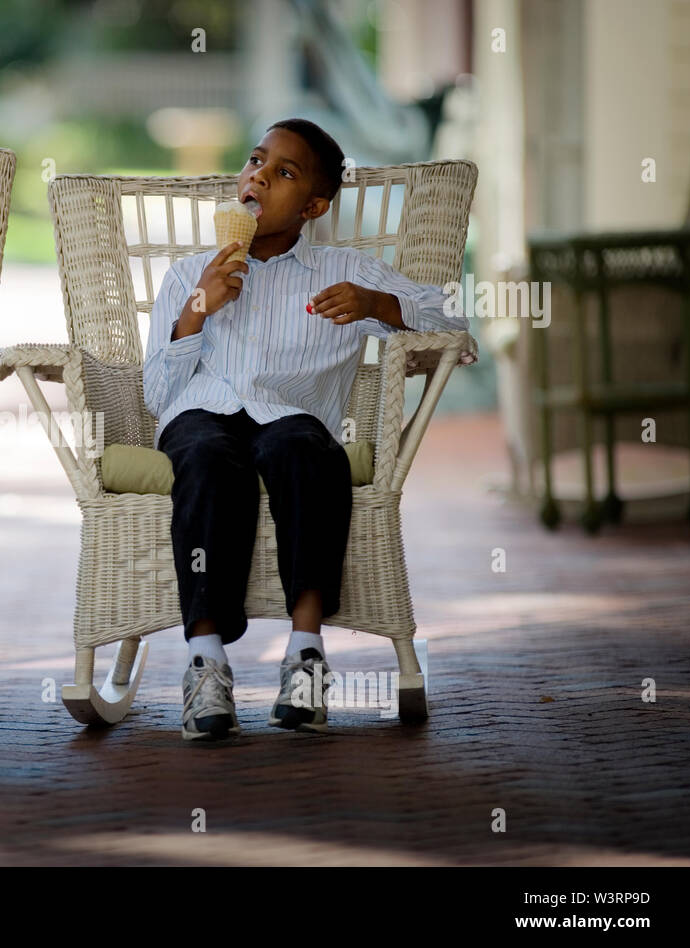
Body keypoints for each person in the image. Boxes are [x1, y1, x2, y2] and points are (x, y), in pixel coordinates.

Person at [143, 118, 468, 740]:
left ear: (314, 206)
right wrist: (197, 312)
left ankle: (306, 652)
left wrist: (377, 305)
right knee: (208, 460)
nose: (259, 176)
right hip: (201, 414)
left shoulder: (342, 271)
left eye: (283, 173)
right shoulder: (189, 275)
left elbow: (451, 319)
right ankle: (206, 662)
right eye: (255, 161)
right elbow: (158, 394)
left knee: (308, 454)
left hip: (293, 418)